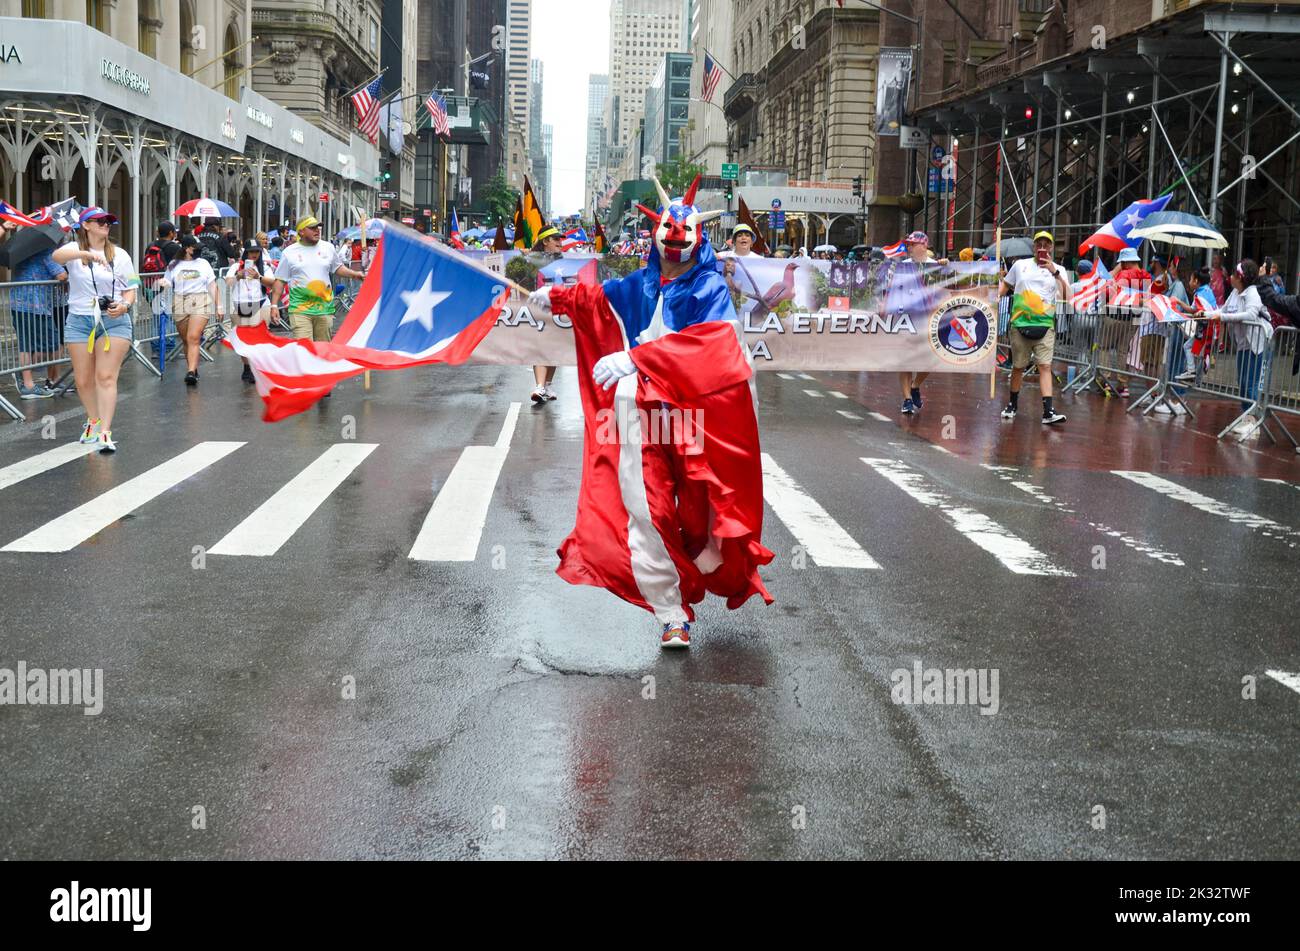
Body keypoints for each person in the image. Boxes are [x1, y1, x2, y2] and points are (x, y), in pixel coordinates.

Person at [525, 175, 771, 650]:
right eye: (668, 239)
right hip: (636, 411)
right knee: (646, 507)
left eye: (683, 241)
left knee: (701, 515)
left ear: (696, 241)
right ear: (657, 237)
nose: (675, 249)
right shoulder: (637, 284)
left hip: (693, 416)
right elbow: (594, 298)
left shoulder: (709, 289)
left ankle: (701, 570)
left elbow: (716, 344)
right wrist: (550, 298)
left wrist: (637, 357)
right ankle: (670, 612)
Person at [51, 207, 138, 453]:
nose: (105, 224)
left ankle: (105, 432)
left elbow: (132, 285)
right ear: (85, 225)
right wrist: (83, 255)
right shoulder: (73, 250)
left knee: (106, 377)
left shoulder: (120, 254)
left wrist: (125, 305)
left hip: (113, 320)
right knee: (83, 379)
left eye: (108, 221)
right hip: (79, 320)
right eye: (99, 221)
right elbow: (57, 256)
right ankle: (93, 419)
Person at [999, 230, 1069, 424]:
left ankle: (1048, 411)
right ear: (1034, 247)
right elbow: (1005, 287)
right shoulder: (1020, 265)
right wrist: (989, 302)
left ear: (1052, 247)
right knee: (1018, 367)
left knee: (1045, 366)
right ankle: (1012, 404)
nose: (1042, 248)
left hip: (1045, 325)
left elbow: (1067, 298)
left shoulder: (1059, 270)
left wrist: (1055, 273)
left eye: (1046, 244)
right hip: (1020, 323)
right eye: (1039, 244)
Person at [878, 231, 949, 414]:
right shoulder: (902, 267)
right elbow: (891, 289)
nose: (909, 247)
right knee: (905, 360)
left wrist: (946, 267)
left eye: (912, 244)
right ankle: (907, 399)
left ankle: (916, 386)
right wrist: (886, 309)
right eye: (908, 244)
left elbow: (948, 289)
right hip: (906, 318)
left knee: (931, 359)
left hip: (929, 320)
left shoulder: (936, 266)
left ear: (924, 245)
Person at [271, 215, 365, 344]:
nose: (317, 230)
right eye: (312, 228)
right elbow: (280, 280)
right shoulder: (289, 252)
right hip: (300, 308)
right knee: (304, 349)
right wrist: (274, 305)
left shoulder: (328, 248)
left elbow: (338, 268)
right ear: (301, 231)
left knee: (323, 349)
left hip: (324, 308)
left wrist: (355, 274)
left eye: (318, 227)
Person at [1206, 259, 1274, 433]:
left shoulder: (1253, 293)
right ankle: (1247, 417)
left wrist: (1222, 318)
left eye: (1235, 274)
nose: (1231, 276)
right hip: (1243, 343)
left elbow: (1251, 315)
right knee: (1242, 382)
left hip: (1258, 343)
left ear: (1241, 277)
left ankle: (1253, 421)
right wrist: (1206, 314)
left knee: (1250, 383)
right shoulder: (1235, 292)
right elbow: (1224, 310)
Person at [160, 234, 223, 385]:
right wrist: (164, 283)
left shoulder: (204, 264)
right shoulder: (174, 264)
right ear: (187, 249)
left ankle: (190, 372)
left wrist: (219, 305)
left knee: (193, 337)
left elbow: (212, 285)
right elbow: (167, 280)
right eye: (196, 248)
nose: (199, 251)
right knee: (186, 339)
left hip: (200, 300)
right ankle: (193, 368)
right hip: (180, 300)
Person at [11, 245, 68, 400]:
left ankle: (27, 380)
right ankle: (24, 376)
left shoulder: (20, 250)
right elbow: (61, 275)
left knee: (27, 345)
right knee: (53, 344)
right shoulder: (45, 250)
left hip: (19, 302)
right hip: (36, 304)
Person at [1098, 246, 1150, 397]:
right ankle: (1123, 385)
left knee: (1104, 348)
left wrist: (1115, 271)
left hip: (1115, 316)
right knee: (1122, 351)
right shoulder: (1146, 276)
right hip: (1133, 319)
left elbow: (1107, 291)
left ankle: (1106, 381)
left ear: (1125, 262)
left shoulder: (1124, 274)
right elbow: (1145, 298)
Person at [227, 239, 275, 383]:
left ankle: (256, 368)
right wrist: (238, 276)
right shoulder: (236, 266)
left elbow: (273, 283)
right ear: (245, 252)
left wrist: (258, 277)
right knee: (243, 338)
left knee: (259, 337)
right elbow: (227, 283)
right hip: (240, 304)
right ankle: (247, 367)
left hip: (261, 303)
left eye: (257, 251)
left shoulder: (265, 267)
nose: (254, 254)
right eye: (251, 251)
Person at [529, 225, 566, 403]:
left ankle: (548, 385)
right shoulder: (531, 261)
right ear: (545, 242)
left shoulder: (565, 260)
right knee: (541, 346)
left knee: (555, 348)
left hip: (559, 309)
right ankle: (539, 386)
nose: (560, 242)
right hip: (538, 309)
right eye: (556, 239)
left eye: (560, 239)